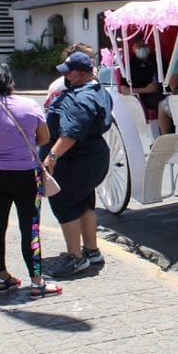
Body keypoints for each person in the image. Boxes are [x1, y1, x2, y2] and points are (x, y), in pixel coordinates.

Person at [0, 63, 61, 298]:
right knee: (30, 228)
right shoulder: (29, 105)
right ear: (10, 81)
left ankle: (3, 278)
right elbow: (44, 138)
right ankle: (37, 282)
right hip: (25, 174)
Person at [41, 52, 113, 278]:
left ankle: (75, 259)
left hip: (76, 161)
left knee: (65, 204)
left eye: (69, 71)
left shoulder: (80, 98)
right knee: (84, 203)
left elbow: (70, 134)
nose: (65, 75)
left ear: (81, 75)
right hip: (89, 158)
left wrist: (51, 158)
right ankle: (91, 251)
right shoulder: (96, 90)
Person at [118, 36, 164, 111]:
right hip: (142, 98)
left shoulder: (157, 60)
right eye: (139, 47)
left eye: (144, 46)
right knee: (162, 103)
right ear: (133, 48)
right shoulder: (130, 65)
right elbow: (124, 90)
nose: (142, 49)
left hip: (161, 93)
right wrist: (146, 90)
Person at [44, 43, 95, 110]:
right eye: (88, 57)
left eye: (93, 57)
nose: (92, 61)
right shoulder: (61, 85)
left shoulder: (93, 84)